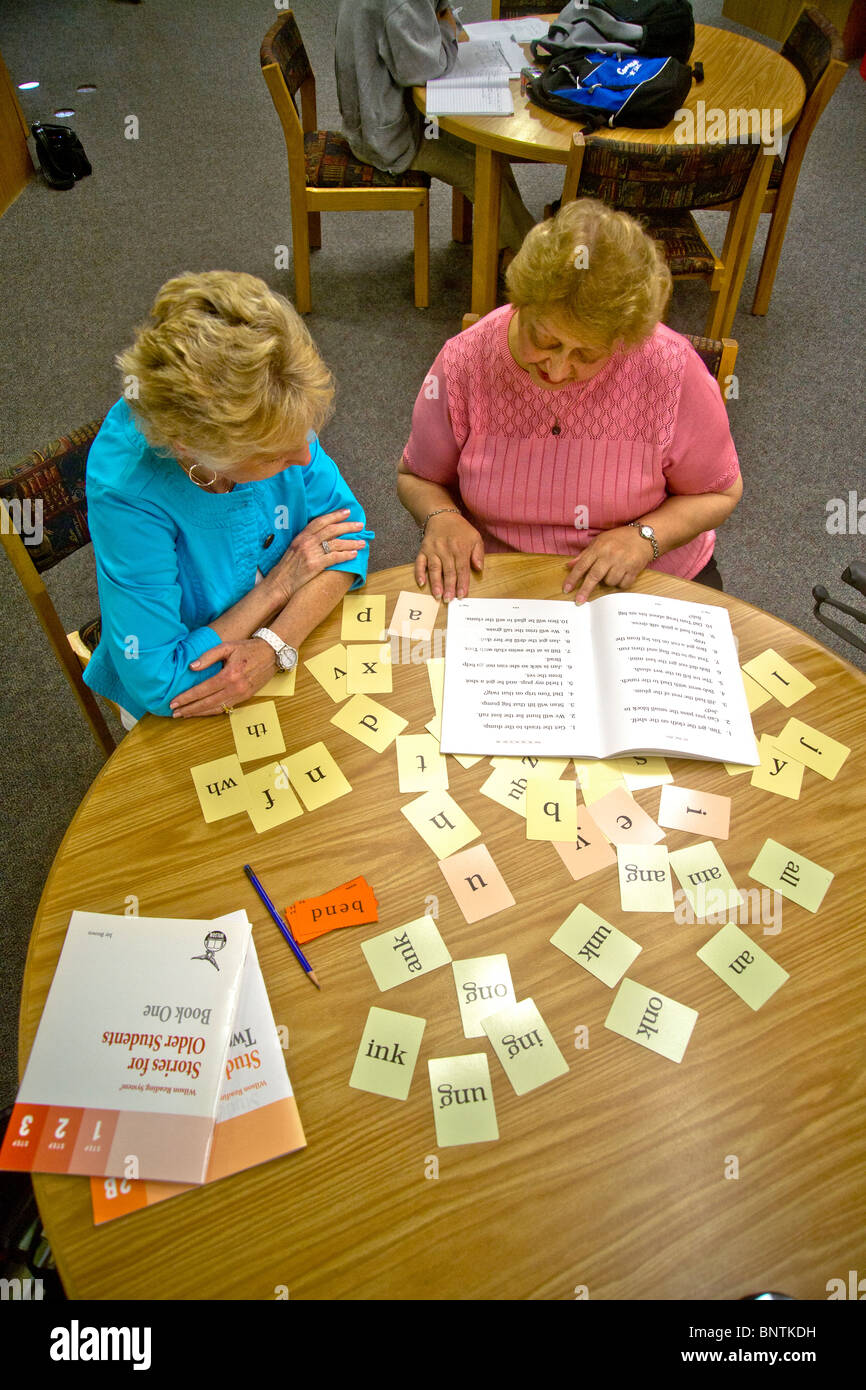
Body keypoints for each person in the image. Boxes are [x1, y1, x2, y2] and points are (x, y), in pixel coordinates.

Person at [397, 198, 743, 604]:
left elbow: (719, 492)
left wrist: (645, 537)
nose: (557, 371)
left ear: (623, 340)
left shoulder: (668, 367)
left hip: (643, 576)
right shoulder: (466, 360)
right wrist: (442, 517)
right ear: (522, 303)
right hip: (502, 578)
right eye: (544, 341)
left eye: (586, 355)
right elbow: (417, 476)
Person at [83, 270, 372, 724]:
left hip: (278, 646)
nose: (303, 455)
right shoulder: (128, 492)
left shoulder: (273, 411)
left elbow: (351, 537)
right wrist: (280, 585)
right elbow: (164, 682)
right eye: (274, 455)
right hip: (194, 700)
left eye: (306, 434)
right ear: (194, 450)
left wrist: (275, 644)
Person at [334, 0, 535, 256]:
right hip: (385, 137)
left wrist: (444, 21)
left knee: (489, 151)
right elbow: (426, 68)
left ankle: (508, 251)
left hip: (381, 114)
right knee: (481, 174)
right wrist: (447, 28)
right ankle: (542, 267)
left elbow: (440, 14)